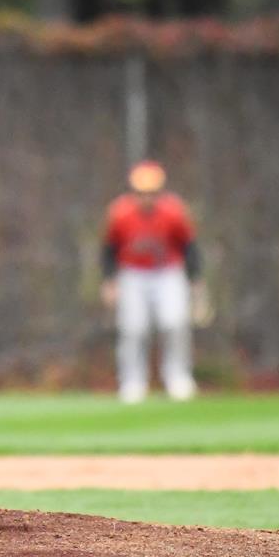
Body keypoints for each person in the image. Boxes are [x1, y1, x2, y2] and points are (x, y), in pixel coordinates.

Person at [100, 159, 200, 403]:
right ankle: (132, 381)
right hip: (133, 273)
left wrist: (195, 281)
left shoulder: (174, 212)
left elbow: (189, 247)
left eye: (152, 193)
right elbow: (109, 249)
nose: (147, 198)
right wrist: (109, 281)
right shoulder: (120, 212)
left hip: (168, 271)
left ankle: (178, 377)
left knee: (174, 323)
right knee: (133, 328)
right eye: (142, 193)